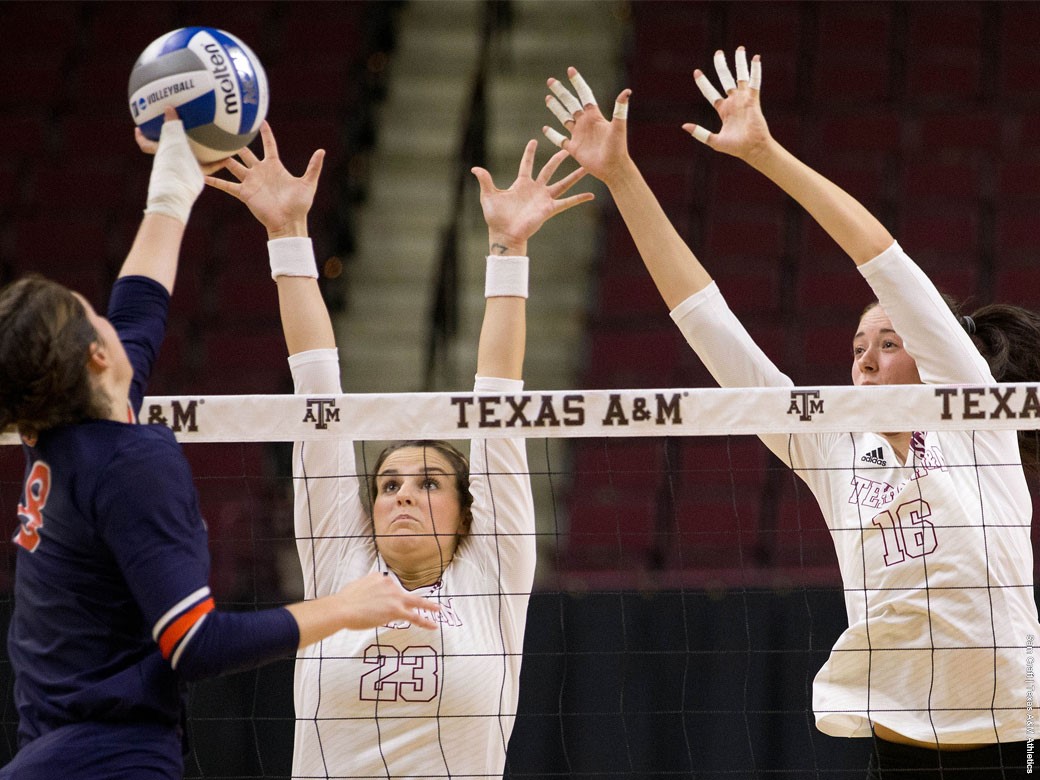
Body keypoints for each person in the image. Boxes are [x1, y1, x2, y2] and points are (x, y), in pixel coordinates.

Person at [541, 52, 1040, 778]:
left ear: (933, 355)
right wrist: (622, 176)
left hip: (1002, 738)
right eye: (855, 347)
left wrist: (767, 154)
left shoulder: (973, 413)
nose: (864, 361)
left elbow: (883, 258)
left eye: (888, 342)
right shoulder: (835, 448)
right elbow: (708, 326)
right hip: (893, 743)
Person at [0, 109, 443, 780]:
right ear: (95, 358)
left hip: (54, 750)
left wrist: (174, 186)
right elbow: (195, 643)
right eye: (89, 312)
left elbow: (138, 309)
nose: (104, 311)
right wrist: (346, 608)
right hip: (108, 762)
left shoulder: (67, 424)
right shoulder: (130, 461)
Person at [205, 121, 592, 778]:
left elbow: (498, 398)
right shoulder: (341, 566)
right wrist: (286, 235)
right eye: (388, 485)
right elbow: (317, 387)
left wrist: (509, 246)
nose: (404, 492)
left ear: (468, 517)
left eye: (429, 483)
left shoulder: (489, 579)